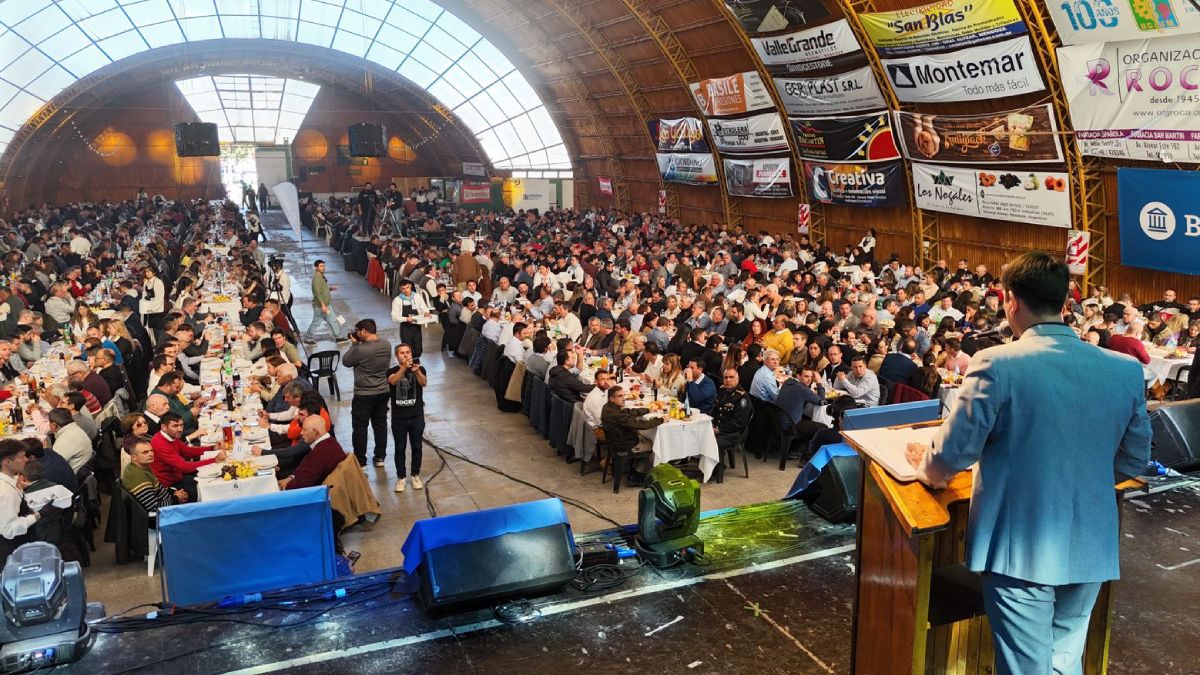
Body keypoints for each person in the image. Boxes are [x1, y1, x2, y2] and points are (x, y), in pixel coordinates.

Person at [904, 252, 1152, 675]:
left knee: (1026, 668)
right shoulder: (1125, 369)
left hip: (1020, 546)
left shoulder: (997, 363)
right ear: (1065, 302)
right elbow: (1133, 460)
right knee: (1062, 663)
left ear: (1011, 301)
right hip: (1091, 539)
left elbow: (952, 455)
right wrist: (1081, 477)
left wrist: (924, 463)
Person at [342, 319, 392, 467]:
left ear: (363, 331)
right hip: (383, 390)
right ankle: (380, 457)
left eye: (358, 331)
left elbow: (346, 361)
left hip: (364, 394)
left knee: (360, 427)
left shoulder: (360, 349)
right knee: (380, 424)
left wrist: (354, 344)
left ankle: (361, 461)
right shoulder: (386, 344)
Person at [151, 412, 225, 502]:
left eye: (181, 425)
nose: (180, 429)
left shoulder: (171, 436)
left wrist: (212, 448)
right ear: (164, 427)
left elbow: (187, 451)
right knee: (213, 487)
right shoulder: (160, 443)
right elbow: (185, 467)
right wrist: (214, 460)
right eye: (175, 426)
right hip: (171, 486)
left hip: (178, 477)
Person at [387, 343, 427, 493]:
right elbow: (393, 381)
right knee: (400, 448)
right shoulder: (392, 371)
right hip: (399, 418)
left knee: (417, 446)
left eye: (408, 352)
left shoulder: (420, 368)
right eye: (402, 353)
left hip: (416, 416)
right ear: (397, 356)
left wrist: (416, 372)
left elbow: (424, 383)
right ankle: (401, 477)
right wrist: (403, 368)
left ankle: (415, 475)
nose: (406, 355)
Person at [0, 439, 48, 558]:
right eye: (21, 457)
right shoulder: (6, 492)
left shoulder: (10, 481)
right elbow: (9, 529)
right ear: (7, 462)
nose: (26, 460)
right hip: (14, 548)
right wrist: (36, 516)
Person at [122, 436, 188, 511]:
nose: (151, 454)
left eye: (151, 451)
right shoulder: (138, 477)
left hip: (165, 500)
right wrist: (176, 498)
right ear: (134, 457)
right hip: (159, 516)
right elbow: (153, 507)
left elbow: (157, 488)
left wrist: (173, 492)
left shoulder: (141, 467)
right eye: (145, 452)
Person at [279, 416, 346, 490]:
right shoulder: (330, 442)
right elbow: (305, 468)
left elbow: (301, 485)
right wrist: (290, 478)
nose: (301, 433)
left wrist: (283, 488)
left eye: (304, 430)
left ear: (315, 431)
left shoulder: (320, 453)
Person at [710, 368, 752, 478]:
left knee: (710, 441)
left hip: (734, 434)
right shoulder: (723, 391)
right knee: (701, 435)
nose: (728, 380)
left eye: (731, 377)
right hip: (721, 429)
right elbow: (715, 411)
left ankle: (717, 470)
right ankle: (711, 466)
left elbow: (739, 423)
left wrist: (719, 430)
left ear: (737, 379)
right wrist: (711, 424)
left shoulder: (742, 397)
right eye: (726, 377)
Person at [303, 260, 342, 343]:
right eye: (321, 266)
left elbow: (322, 289)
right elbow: (317, 294)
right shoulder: (316, 279)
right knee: (316, 322)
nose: (323, 267)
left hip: (326, 304)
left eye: (323, 266)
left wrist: (330, 289)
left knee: (333, 320)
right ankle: (308, 338)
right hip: (321, 306)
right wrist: (323, 306)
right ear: (316, 267)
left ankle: (338, 337)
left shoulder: (321, 276)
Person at [391, 278, 430, 358]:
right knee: (407, 349)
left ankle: (416, 362)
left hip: (416, 326)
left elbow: (423, 307)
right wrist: (406, 319)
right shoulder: (397, 300)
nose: (406, 290)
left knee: (418, 348)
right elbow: (394, 316)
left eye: (407, 287)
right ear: (400, 289)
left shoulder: (417, 296)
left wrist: (426, 312)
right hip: (405, 328)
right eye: (403, 289)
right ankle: (407, 366)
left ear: (411, 286)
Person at [48, 408, 92, 472]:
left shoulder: (64, 441)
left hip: (72, 477)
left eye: (49, 422)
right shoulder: (75, 428)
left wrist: (45, 451)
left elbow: (53, 467)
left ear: (54, 425)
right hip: (83, 470)